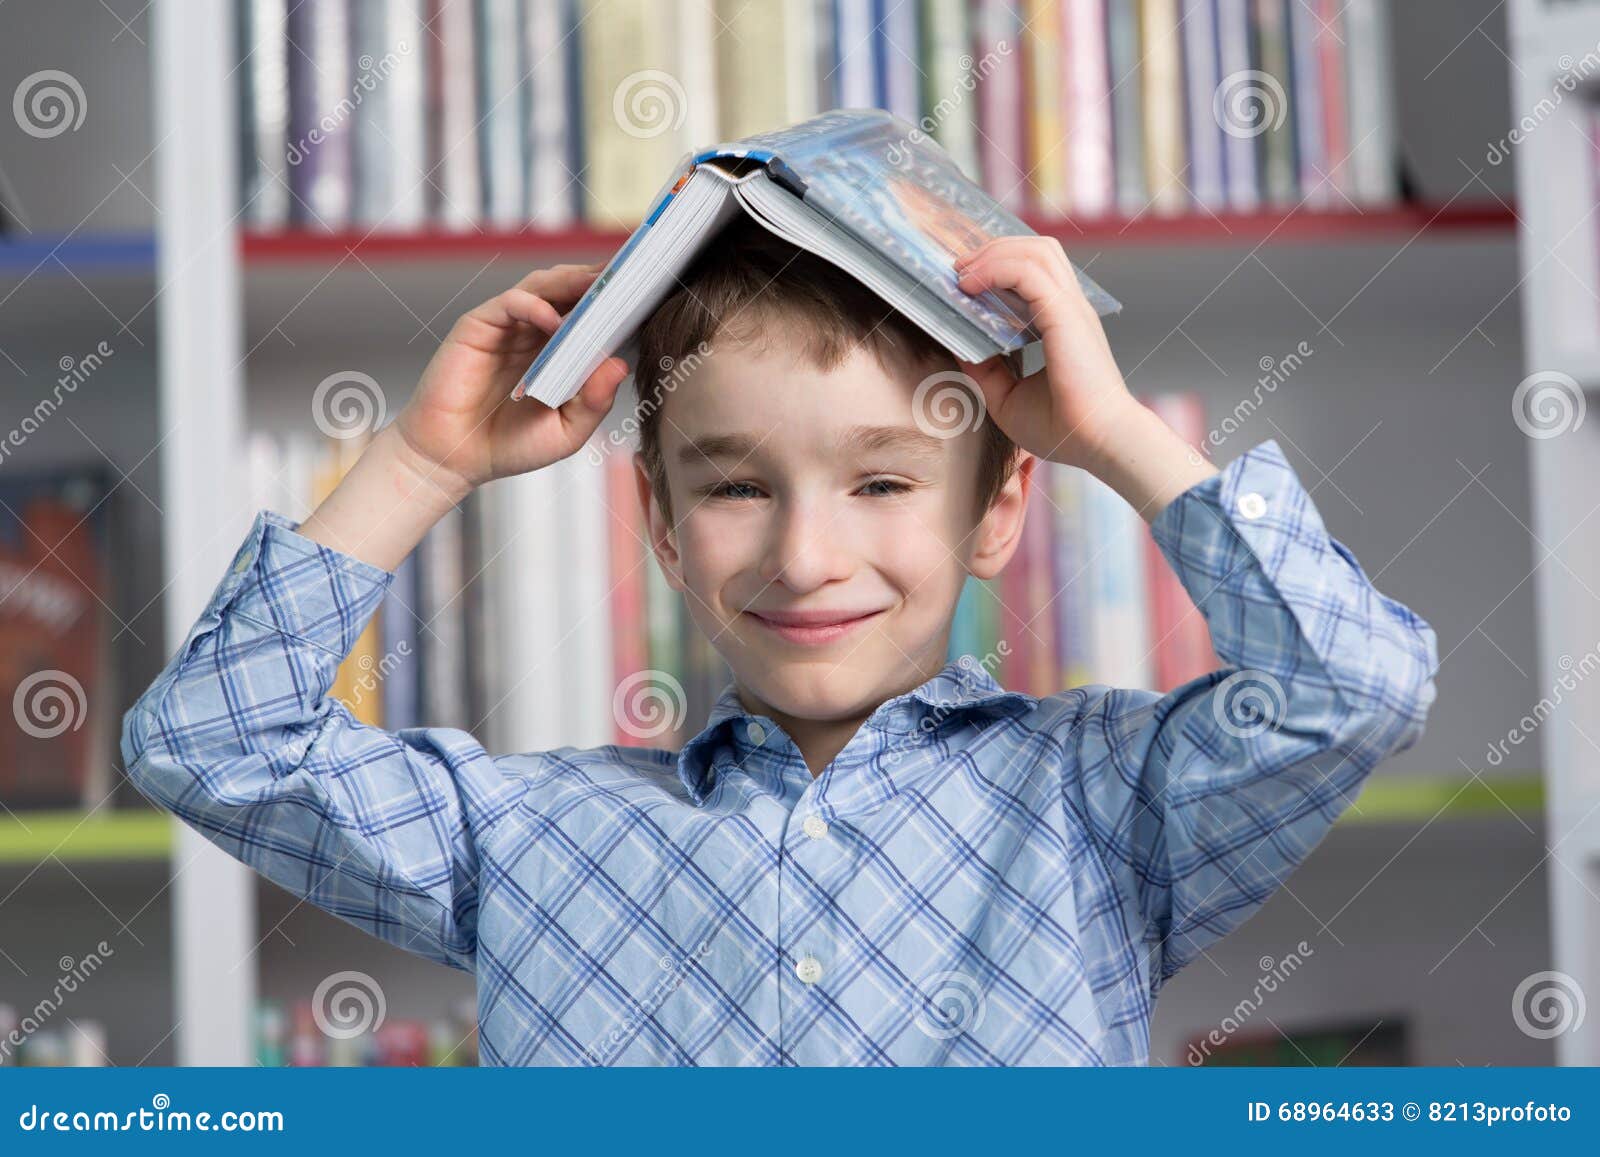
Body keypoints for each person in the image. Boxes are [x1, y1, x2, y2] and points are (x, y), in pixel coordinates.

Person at [121, 217, 1437, 1065]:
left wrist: (1112, 434)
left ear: (998, 509)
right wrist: (420, 460)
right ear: (665, 524)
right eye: (738, 485)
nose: (805, 555)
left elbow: (1355, 685)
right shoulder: (526, 832)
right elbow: (210, 743)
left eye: (881, 483)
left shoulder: (1101, 803)